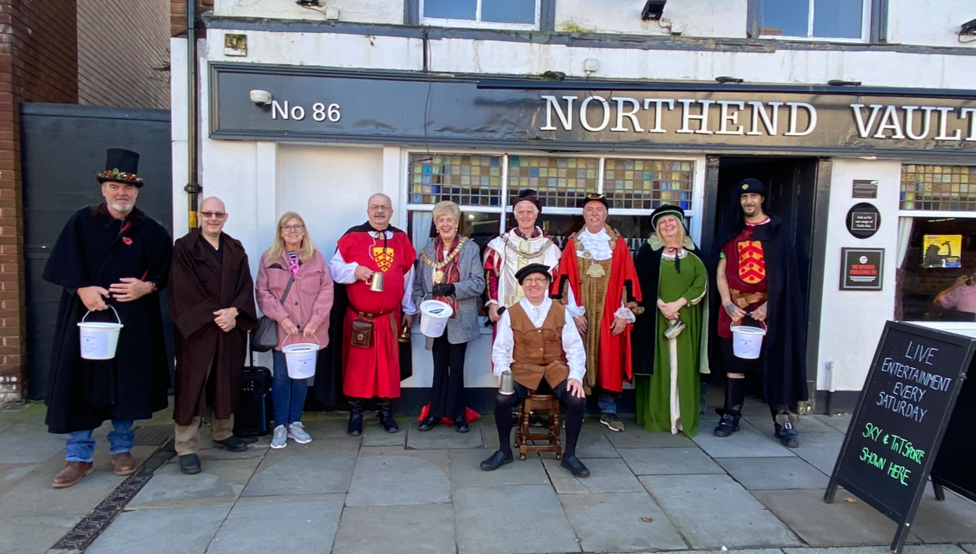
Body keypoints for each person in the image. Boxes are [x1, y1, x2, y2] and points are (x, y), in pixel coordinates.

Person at [42, 148, 172, 488]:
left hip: (132, 321)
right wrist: (81, 287)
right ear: (104, 188)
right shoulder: (81, 223)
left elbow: (166, 272)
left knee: (126, 384)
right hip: (87, 318)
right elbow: (62, 266)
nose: (121, 193)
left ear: (137, 192)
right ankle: (78, 456)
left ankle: (122, 449)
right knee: (81, 383)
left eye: (128, 188)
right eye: (115, 186)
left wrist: (148, 287)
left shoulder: (150, 230)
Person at [712, 178, 808, 447]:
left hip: (769, 310)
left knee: (776, 362)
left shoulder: (777, 231)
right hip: (735, 309)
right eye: (744, 198)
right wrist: (728, 304)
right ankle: (731, 414)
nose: (749, 201)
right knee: (734, 365)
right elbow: (720, 272)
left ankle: (783, 421)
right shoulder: (731, 231)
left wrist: (770, 306)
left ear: (762, 199)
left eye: (753, 196)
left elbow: (785, 276)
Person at [168, 197, 259, 474]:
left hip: (230, 326)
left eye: (218, 214)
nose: (213, 218)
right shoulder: (184, 247)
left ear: (226, 217)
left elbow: (245, 284)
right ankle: (186, 445)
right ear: (199, 216)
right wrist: (214, 314)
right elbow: (182, 288)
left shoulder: (234, 247)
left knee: (227, 378)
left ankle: (223, 432)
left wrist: (235, 311)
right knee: (193, 382)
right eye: (207, 214)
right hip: (199, 330)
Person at [480, 263, 590, 478]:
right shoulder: (511, 313)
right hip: (523, 370)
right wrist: (504, 374)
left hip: (555, 369)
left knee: (577, 399)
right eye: (529, 281)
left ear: (548, 284)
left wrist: (576, 376)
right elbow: (500, 349)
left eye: (539, 280)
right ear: (522, 285)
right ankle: (504, 451)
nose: (534, 284)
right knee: (503, 399)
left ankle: (570, 456)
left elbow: (575, 348)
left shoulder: (561, 311)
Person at [551, 193, 641, 432]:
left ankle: (608, 410)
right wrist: (573, 312)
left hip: (610, 312)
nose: (594, 213)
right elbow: (565, 278)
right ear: (584, 214)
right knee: (574, 355)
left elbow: (628, 279)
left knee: (610, 357)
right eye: (589, 209)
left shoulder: (618, 244)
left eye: (599, 209)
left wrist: (624, 314)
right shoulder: (573, 244)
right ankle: (575, 408)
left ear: (606, 214)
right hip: (579, 311)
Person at [329, 193, 417, 436]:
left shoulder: (400, 239)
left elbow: (409, 276)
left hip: (389, 318)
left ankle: (385, 412)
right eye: (375, 207)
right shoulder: (352, 236)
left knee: (388, 365)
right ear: (368, 211)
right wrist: (354, 270)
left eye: (384, 208)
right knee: (358, 366)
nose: (380, 212)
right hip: (360, 319)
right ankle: (356, 413)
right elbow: (334, 269)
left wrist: (409, 309)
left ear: (391, 212)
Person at [257, 212, 334, 448]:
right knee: (281, 377)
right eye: (287, 227)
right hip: (284, 330)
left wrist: (316, 320)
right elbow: (263, 292)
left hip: (310, 331)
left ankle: (295, 423)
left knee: (301, 378)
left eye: (297, 226)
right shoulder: (268, 259)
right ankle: (280, 425)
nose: (292, 231)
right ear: (280, 232)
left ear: (304, 231)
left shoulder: (317, 258)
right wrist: (281, 318)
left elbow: (326, 290)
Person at [632, 205, 709, 438]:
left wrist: (679, 304)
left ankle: (682, 418)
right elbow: (640, 283)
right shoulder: (648, 252)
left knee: (683, 366)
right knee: (659, 367)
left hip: (686, 315)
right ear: (657, 228)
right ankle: (658, 418)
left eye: (671, 221)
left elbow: (701, 280)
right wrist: (662, 306)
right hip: (656, 319)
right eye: (662, 222)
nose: (667, 226)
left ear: (680, 225)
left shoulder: (693, 252)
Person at [413, 201, 485, 433]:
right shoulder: (425, 251)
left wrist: (453, 288)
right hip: (434, 318)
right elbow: (416, 285)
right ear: (435, 224)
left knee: (457, 366)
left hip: (459, 318)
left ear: (457, 223)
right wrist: (422, 305)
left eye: (450, 220)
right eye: (441, 220)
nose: (445, 224)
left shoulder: (470, 249)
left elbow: (478, 284)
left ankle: (458, 414)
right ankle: (434, 413)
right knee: (438, 366)